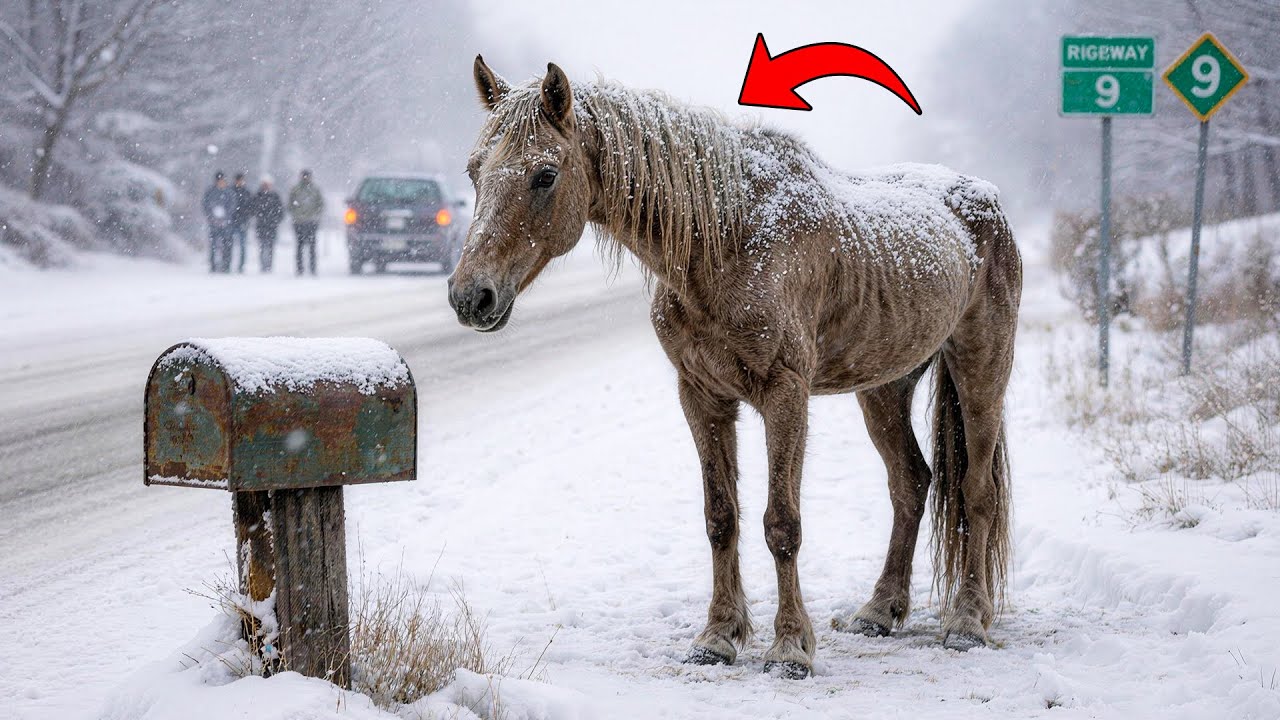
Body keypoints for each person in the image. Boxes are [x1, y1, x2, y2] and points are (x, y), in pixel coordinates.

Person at [288, 169, 324, 276]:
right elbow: (290, 204)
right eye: (304, 176)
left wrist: (315, 215)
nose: (306, 178)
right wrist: (297, 215)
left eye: (307, 176)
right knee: (300, 246)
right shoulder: (296, 189)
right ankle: (300, 268)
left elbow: (320, 204)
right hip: (299, 222)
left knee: (312, 246)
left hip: (311, 222)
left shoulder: (315, 189)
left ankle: (313, 268)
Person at [201, 171, 237, 273]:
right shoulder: (210, 192)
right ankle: (213, 265)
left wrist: (225, 218)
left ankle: (226, 265)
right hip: (214, 224)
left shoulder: (229, 192)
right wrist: (212, 217)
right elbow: (206, 205)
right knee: (213, 245)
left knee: (227, 245)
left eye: (222, 180)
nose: (221, 182)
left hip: (227, 224)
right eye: (219, 181)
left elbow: (232, 206)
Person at [252, 179, 284, 273]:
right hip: (261, 226)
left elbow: (280, 211)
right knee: (262, 246)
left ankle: (269, 266)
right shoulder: (258, 196)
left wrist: (276, 220)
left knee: (270, 247)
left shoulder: (275, 196)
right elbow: (253, 209)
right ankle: (263, 266)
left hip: (272, 226)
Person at [230, 172, 254, 273]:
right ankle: (228, 263)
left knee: (242, 245)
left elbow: (251, 207)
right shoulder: (231, 191)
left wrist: (247, 217)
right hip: (232, 222)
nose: (240, 182)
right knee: (229, 244)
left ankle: (241, 266)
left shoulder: (246, 192)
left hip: (243, 222)